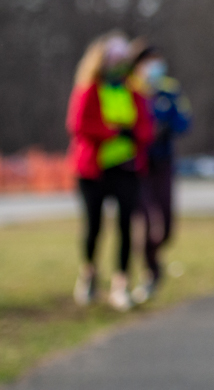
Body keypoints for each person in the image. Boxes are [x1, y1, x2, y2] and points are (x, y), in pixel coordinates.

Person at [66, 33, 154, 311]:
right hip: (94, 170)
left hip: (126, 169)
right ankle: (89, 274)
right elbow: (78, 124)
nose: (118, 65)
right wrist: (112, 131)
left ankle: (121, 283)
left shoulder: (133, 91)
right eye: (113, 60)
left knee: (126, 226)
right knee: (94, 226)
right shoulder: (89, 89)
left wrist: (133, 134)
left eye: (122, 60)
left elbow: (146, 127)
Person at [129, 44, 191, 304]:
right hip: (139, 164)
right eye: (149, 62)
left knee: (165, 225)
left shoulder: (169, 88)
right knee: (145, 221)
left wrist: (166, 126)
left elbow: (185, 121)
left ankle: (154, 257)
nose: (154, 67)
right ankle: (150, 271)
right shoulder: (130, 89)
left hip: (163, 162)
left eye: (157, 61)